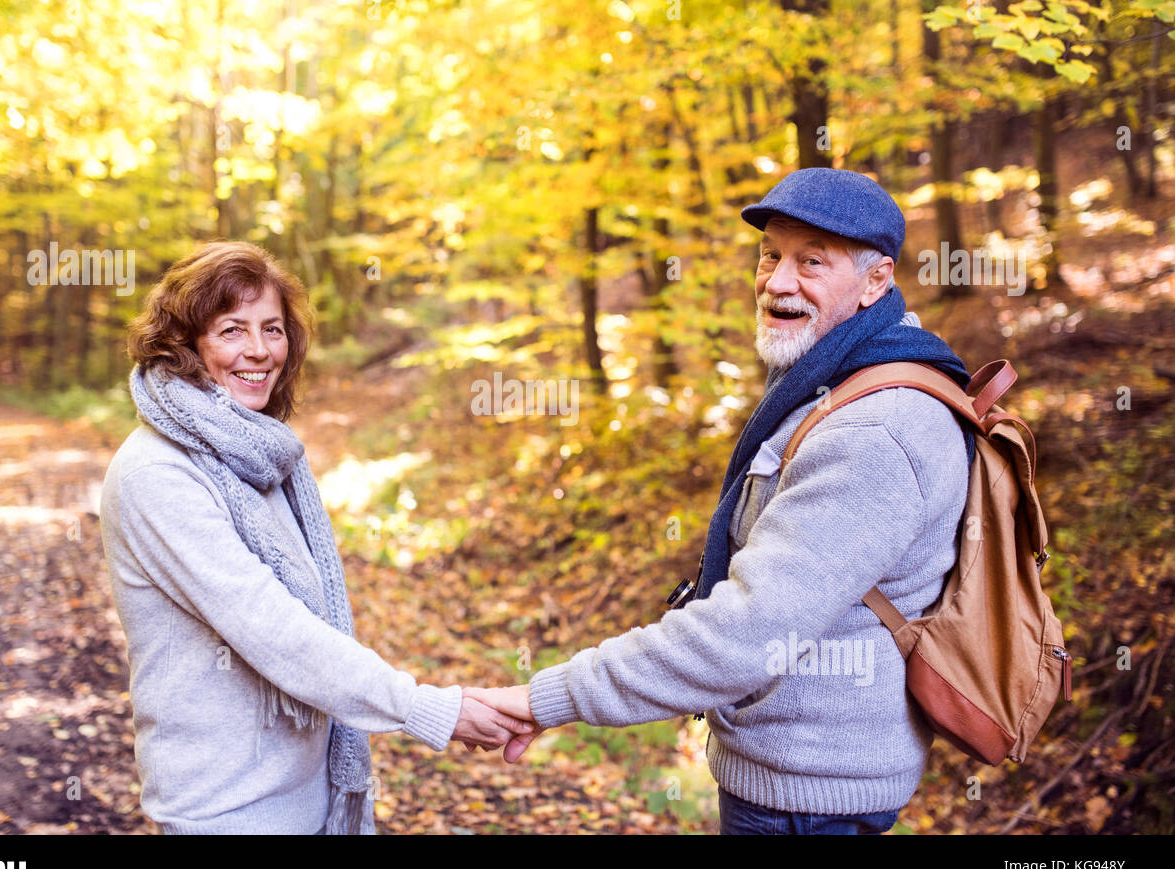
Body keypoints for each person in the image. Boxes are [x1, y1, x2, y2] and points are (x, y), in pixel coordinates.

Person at [479, 168, 977, 834]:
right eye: (770, 255)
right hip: (790, 781)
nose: (777, 281)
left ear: (876, 282)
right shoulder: (832, 384)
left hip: (808, 801)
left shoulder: (876, 430)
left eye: (811, 263)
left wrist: (548, 698)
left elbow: (743, 633)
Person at [99, 241, 532, 834]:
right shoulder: (158, 473)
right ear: (185, 346)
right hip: (226, 810)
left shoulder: (261, 456)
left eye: (272, 329)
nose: (259, 351)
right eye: (231, 330)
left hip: (311, 795)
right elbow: (272, 629)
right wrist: (428, 708)